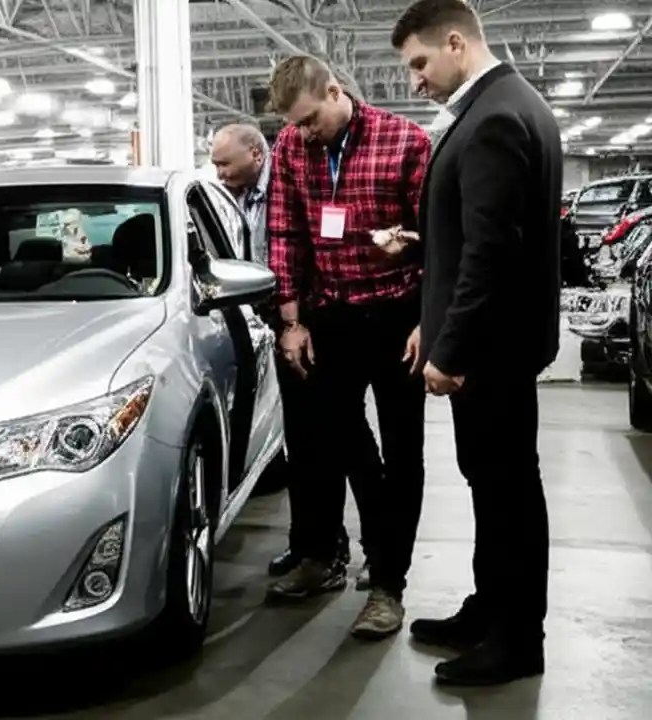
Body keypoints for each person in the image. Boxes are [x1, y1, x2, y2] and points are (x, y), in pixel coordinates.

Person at [392, 0, 560, 685]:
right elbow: (477, 235)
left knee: (507, 493)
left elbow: (491, 253)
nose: (414, 81)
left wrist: (448, 348)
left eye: (419, 63)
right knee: (496, 488)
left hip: (490, 353)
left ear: (456, 42)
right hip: (501, 347)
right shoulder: (509, 103)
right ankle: (492, 607)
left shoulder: (491, 119)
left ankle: (518, 639)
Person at [263, 55, 431, 640]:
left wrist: (411, 251)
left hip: (397, 315)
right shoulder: (290, 147)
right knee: (336, 439)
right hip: (330, 312)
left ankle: (388, 585)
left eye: (310, 121)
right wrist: (291, 321)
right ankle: (330, 556)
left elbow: (438, 232)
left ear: (335, 91)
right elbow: (284, 233)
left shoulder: (404, 140)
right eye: (296, 125)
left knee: (403, 452)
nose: (303, 134)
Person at [211, 123, 385, 590]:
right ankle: (316, 545)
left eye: (224, 162)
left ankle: (380, 551)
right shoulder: (238, 198)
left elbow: (316, 253)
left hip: (316, 323)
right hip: (280, 325)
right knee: (304, 444)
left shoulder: (289, 189)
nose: (217, 170)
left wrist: (300, 320)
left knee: (348, 439)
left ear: (256, 153)